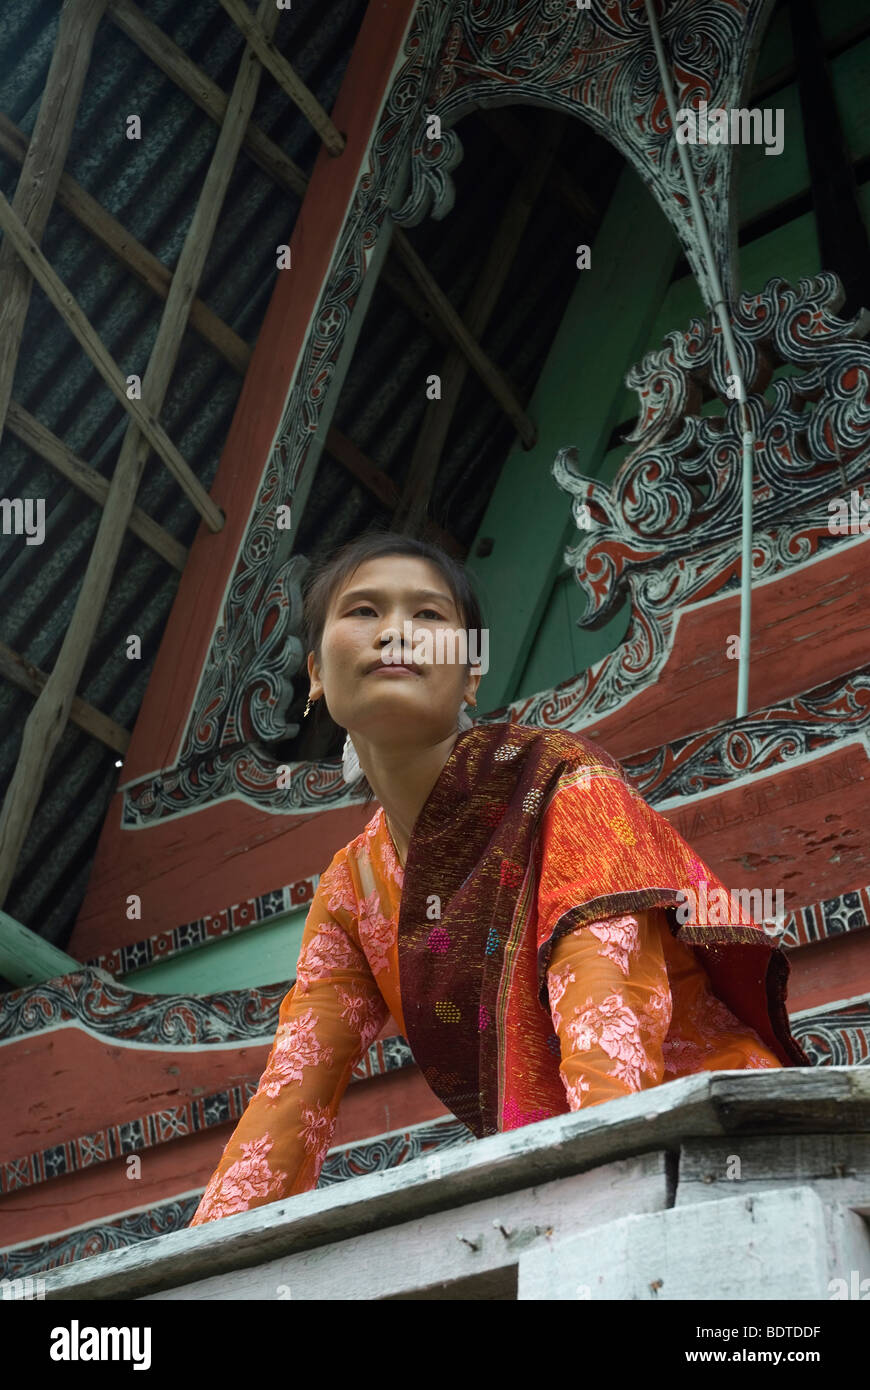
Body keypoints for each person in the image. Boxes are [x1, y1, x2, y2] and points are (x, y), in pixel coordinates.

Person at [188, 529, 809, 1226]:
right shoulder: (350, 890)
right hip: (561, 1183)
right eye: (362, 611)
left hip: (708, 1159)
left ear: (471, 673)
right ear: (316, 676)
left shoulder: (562, 784)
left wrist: (606, 1199)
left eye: (428, 616)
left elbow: (608, 1020)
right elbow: (291, 1094)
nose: (395, 631)